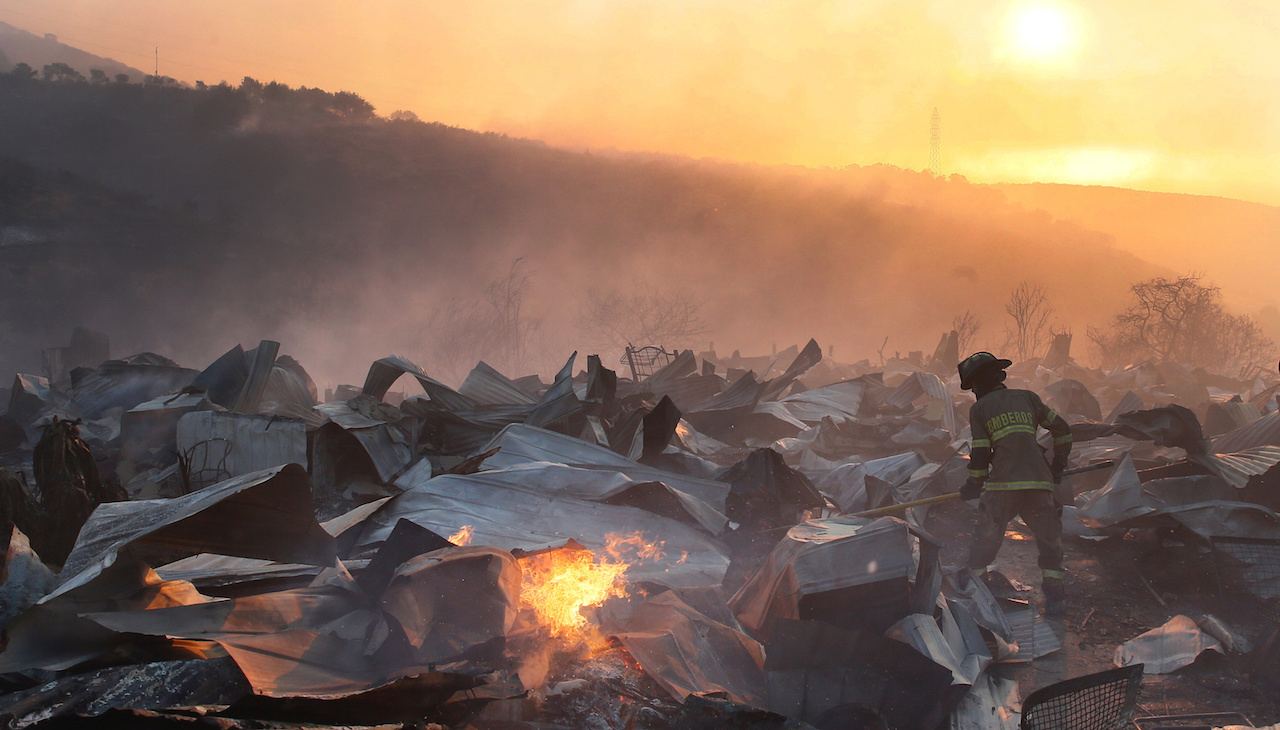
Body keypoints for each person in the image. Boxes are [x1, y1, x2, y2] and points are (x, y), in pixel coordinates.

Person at [957, 352, 1073, 615]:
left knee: (985, 539)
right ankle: (1055, 596)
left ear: (980, 383)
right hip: (1039, 484)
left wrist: (973, 484)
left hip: (1003, 487)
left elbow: (981, 452)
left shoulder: (979, 409)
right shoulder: (1028, 398)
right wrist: (1057, 466)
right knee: (1049, 539)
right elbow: (1063, 429)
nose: (973, 392)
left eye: (973, 386)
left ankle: (976, 592)